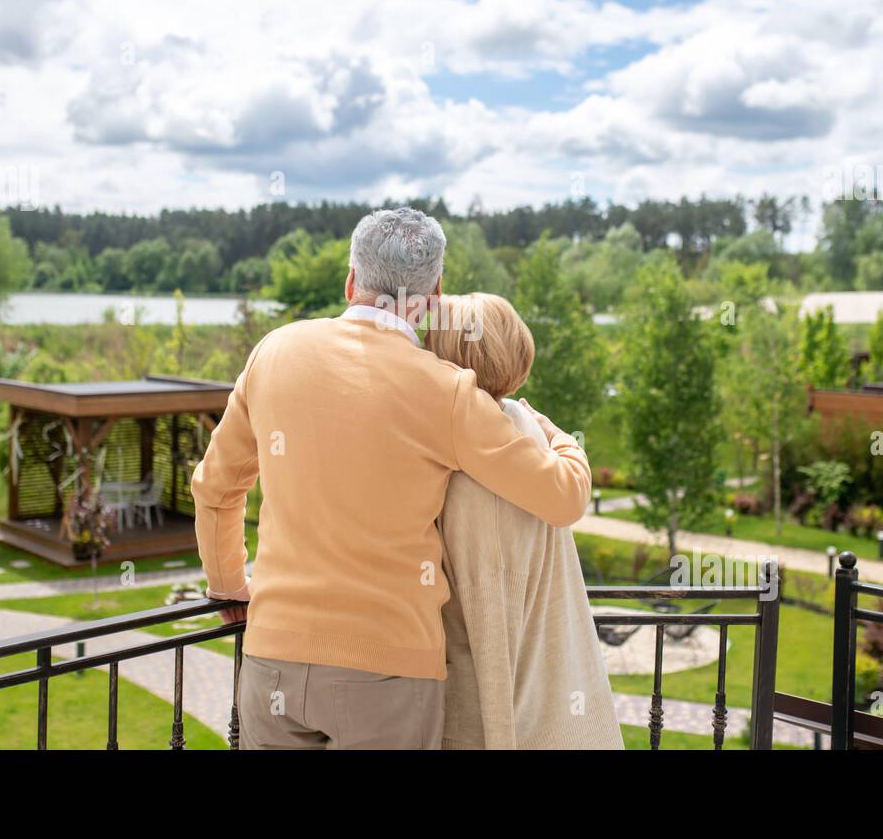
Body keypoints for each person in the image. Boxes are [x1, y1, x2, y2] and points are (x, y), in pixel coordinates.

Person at [190, 207, 591, 749]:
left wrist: (228, 585)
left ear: (351, 278)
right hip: (389, 673)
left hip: (272, 658)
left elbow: (215, 488)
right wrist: (556, 436)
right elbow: (562, 498)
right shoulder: (447, 391)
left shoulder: (274, 352)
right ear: (433, 296)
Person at [425, 293, 623, 749]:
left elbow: (490, 611)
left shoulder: (466, 463)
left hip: (483, 710)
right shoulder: (527, 426)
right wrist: (559, 436)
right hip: (550, 695)